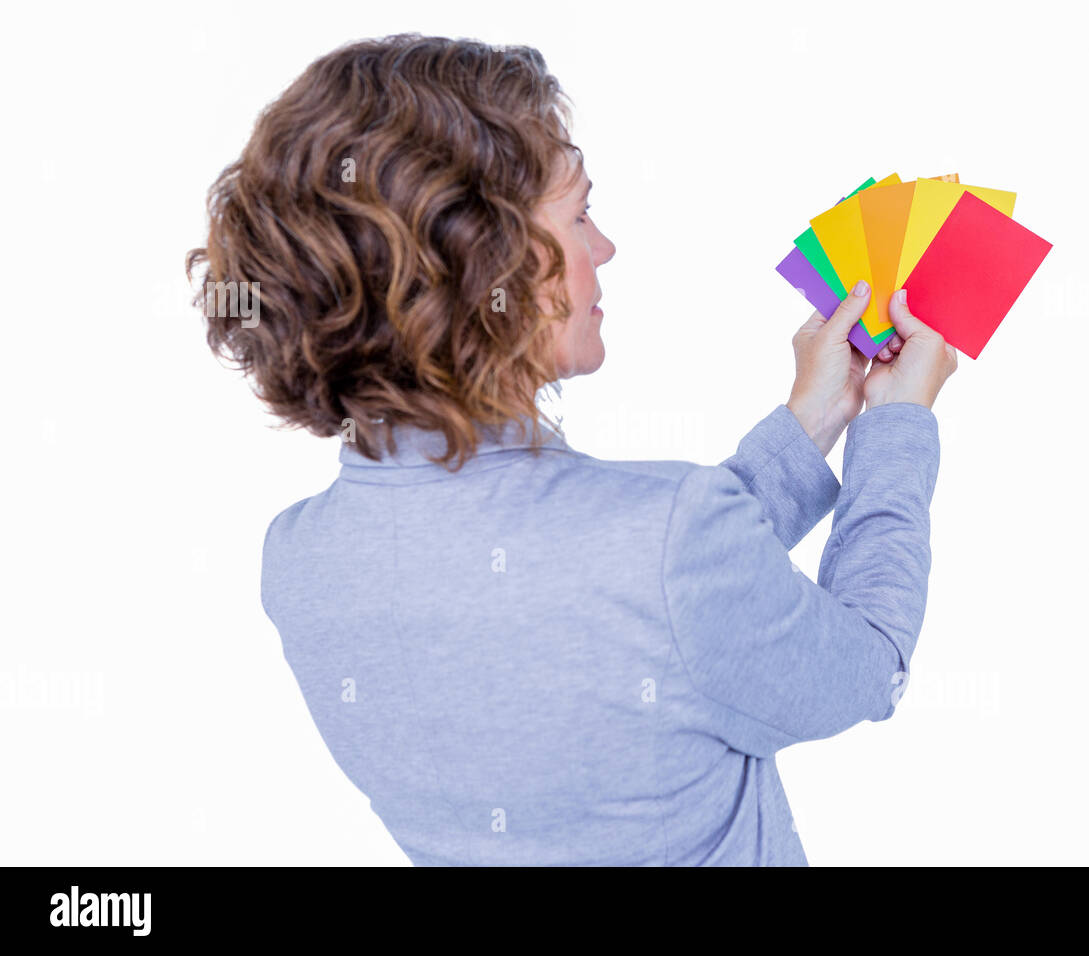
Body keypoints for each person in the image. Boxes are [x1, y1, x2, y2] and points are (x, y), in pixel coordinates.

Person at [187, 33, 958, 866]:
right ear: (491, 268)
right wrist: (894, 428)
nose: (605, 246)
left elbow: (648, 600)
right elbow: (866, 667)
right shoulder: (668, 540)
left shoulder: (299, 563)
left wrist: (813, 422)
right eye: (580, 212)